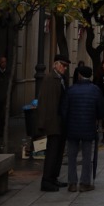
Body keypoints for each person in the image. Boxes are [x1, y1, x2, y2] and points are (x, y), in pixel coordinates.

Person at [63, 65, 104, 192]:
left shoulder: (71, 90)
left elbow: (64, 110)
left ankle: (72, 183)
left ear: (79, 75)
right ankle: (85, 182)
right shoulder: (95, 90)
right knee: (87, 156)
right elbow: (101, 109)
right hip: (88, 127)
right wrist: (97, 118)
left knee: (72, 156)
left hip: (72, 128)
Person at [37, 53, 70, 192]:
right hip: (53, 122)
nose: (65, 68)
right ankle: (47, 180)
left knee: (58, 152)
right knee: (52, 151)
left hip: (60, 122)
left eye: (66, 66)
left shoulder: (60, 78)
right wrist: (44, 123)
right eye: (63, 65)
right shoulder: (50, 79)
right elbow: (46, 103)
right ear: (55, 64)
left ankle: (53, 178)